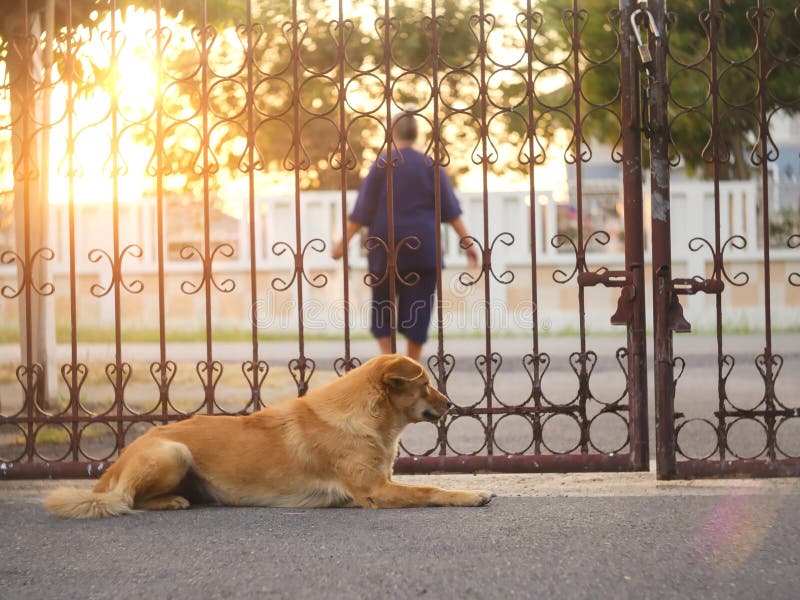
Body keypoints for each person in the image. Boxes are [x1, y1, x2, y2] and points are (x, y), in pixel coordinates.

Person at [331, 111, 479, 361]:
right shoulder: (430, 165)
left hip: (385, 247)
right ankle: (411, 365)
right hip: (423, 248)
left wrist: (341, 245)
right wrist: (468, 243)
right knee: (419, 309)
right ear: (417, 134)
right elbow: (451, 210)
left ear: (392, 133)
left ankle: (390, 365)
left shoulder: (382, 164)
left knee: (382, 307)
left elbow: (361, 212)